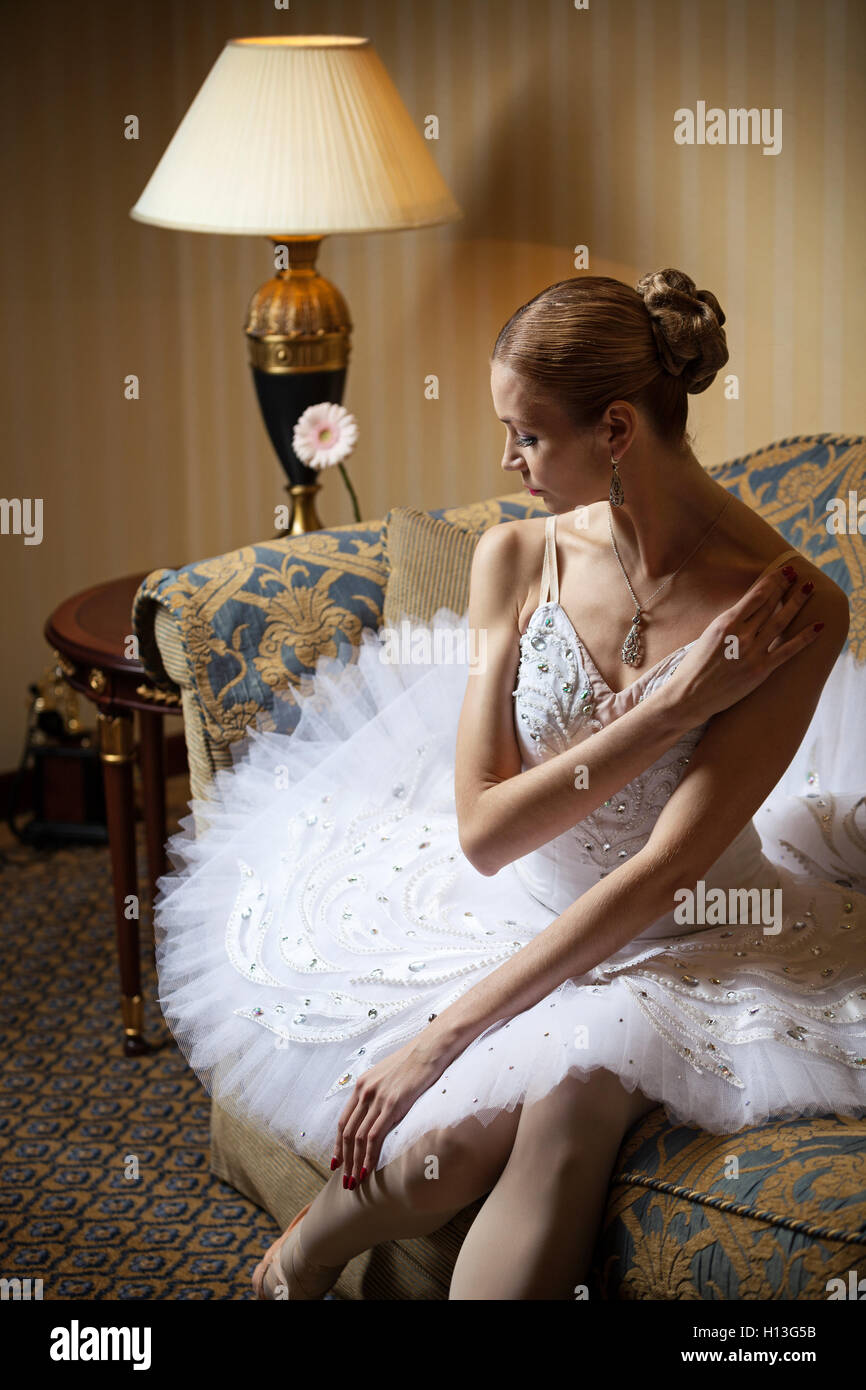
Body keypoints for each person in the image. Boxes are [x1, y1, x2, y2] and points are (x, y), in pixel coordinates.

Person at [153, 269, 866, 1301]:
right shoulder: (515, 557)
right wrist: (667, 709)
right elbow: (485, 833)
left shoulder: (791, 610)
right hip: (517, 899)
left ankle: (302, 1257)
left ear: (614, 428)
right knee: (456, 1130)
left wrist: (449, 1037)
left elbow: (669, 868)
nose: (506, 461)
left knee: (563, 1111)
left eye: (525, 434)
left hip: (688, 929)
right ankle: (295, 1262)